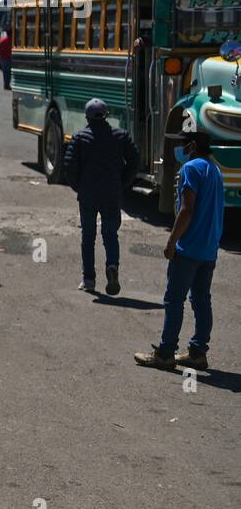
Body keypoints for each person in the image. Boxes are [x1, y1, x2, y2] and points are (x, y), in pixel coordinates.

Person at [135, 127, 225, 370]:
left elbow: (187, 209)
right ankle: (197, 353)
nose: (181, 149)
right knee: (201, 300)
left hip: (189, 248)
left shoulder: (191, 169)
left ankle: (166, 353)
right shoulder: (216, 171)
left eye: (185, 145)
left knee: (174, 300)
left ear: (193, 147)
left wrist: (171, 241)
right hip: (208, 249)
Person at [63, 98, 139, 294]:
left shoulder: (80, 137)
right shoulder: (121, 136)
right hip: (112, 194)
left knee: (88, 237)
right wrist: (122, 183)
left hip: (88, 195)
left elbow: (69, 167)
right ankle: (112, 265)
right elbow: (134, 161)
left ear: (87, 117)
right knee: (110, 234)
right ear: (106, 115)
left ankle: (88, 280)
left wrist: (79, 187)